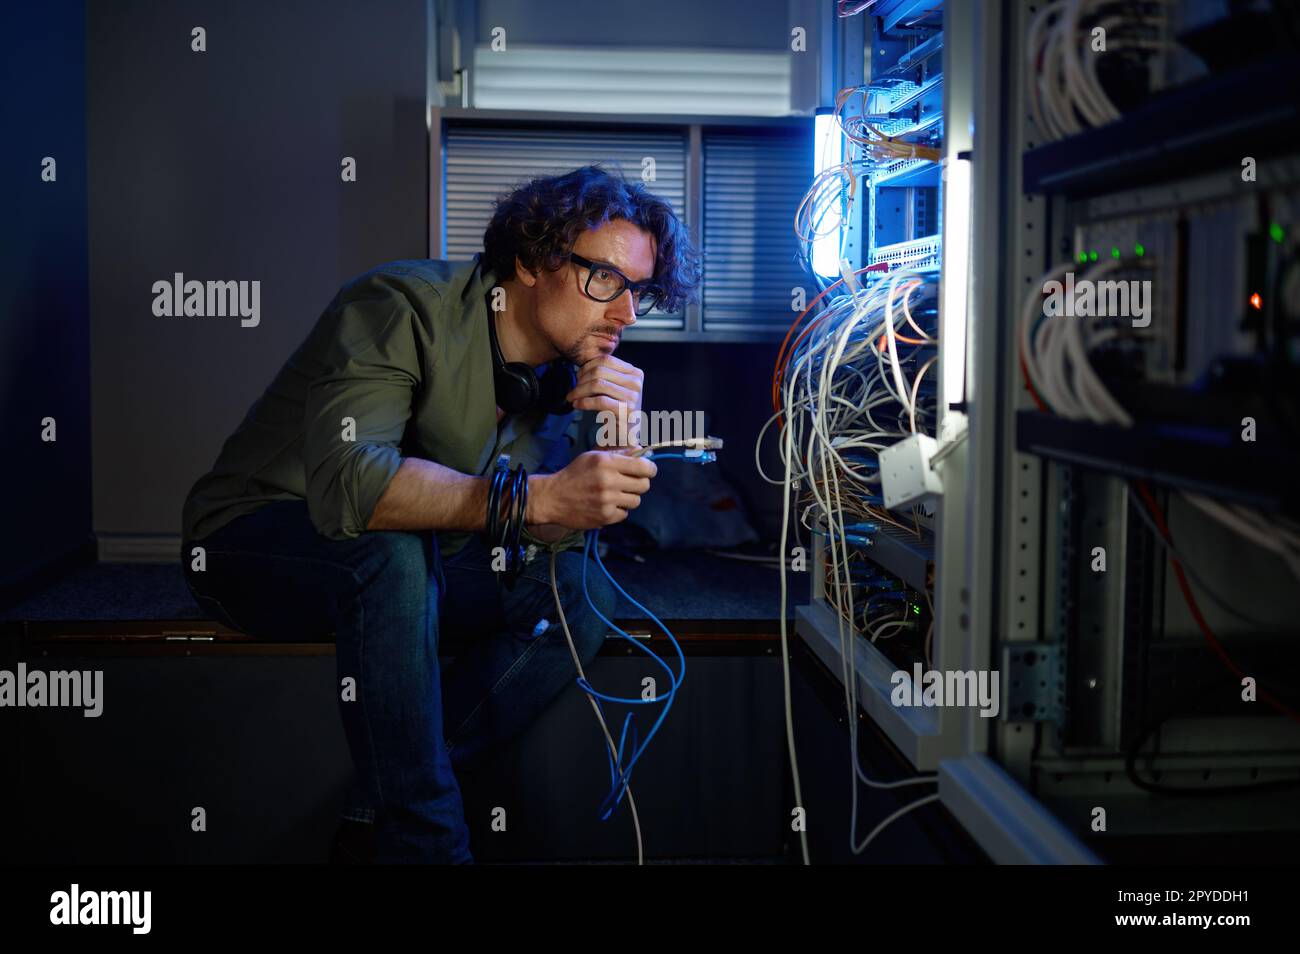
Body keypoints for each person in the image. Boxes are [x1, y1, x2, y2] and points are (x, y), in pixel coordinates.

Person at [178, 165, 702, 863]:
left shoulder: (563, 372)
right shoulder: (397, 303)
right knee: (390, 548)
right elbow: (352, 488)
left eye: (638, 291)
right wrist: (536, 498)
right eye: (605, 279)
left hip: (418, 561)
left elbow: (556, 539)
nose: (626, 313)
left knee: (577, 591)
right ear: (530, 258)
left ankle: (380, 811)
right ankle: (427, 846)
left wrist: (615, 434)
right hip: (254, 537)